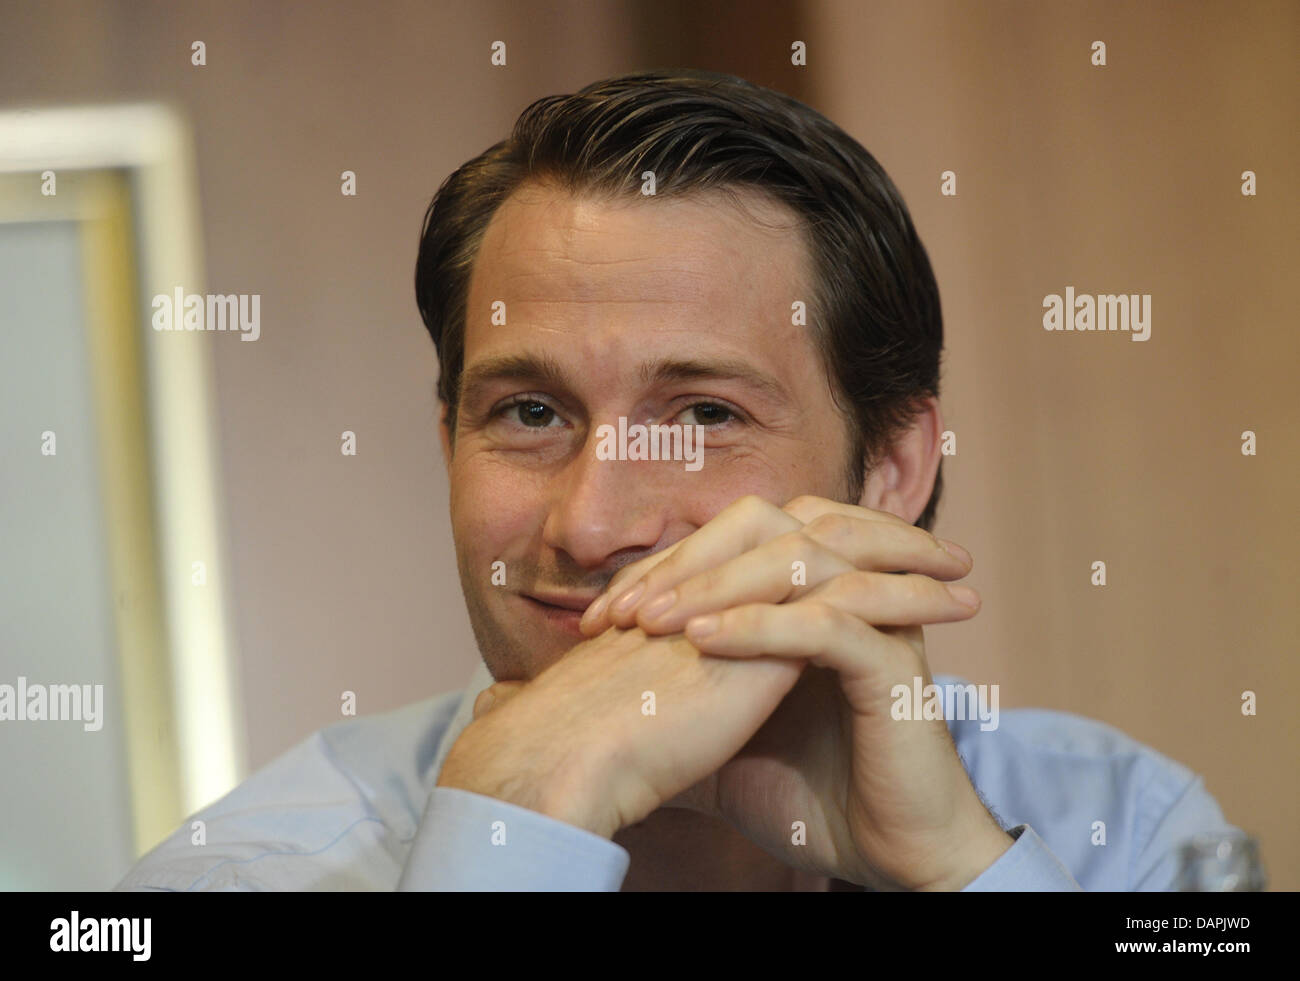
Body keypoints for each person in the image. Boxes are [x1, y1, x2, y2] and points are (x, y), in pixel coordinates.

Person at [116, 69, 1235, 892]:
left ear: (891, 468)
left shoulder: (1132, 836)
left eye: (704, 416)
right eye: (531, 413)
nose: (593, 522)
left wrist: (959, 872)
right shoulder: (236, 881)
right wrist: (509, 834)